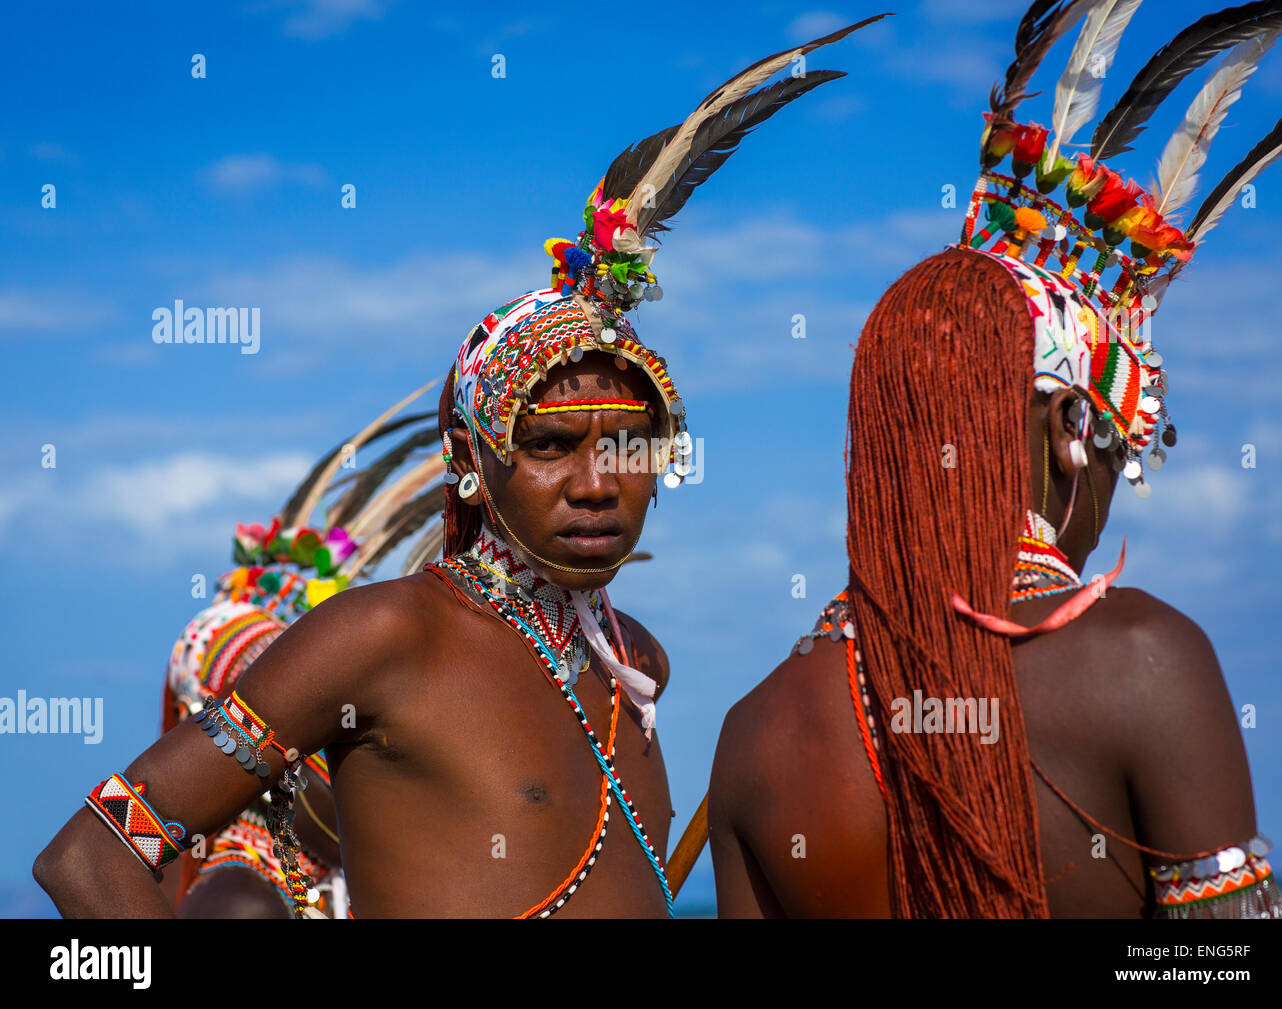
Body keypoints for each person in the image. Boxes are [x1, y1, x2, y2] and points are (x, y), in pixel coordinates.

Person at [33, 17, 882, 918]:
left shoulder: (640, 665)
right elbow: (90, 858)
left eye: (630, 447)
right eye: (549, 444)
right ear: (474, 461)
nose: (598, 482)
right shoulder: (384, 635)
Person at [709, 0, 1282, 918]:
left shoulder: (757, 732)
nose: (1112, 491)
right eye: (1125, 450)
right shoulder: (1143, 660)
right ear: (1071, 427)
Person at [161, 385, 447, 917]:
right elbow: (83, 858)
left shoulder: (340, 888)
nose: (365, 779)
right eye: (327, 751)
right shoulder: (241, 904)